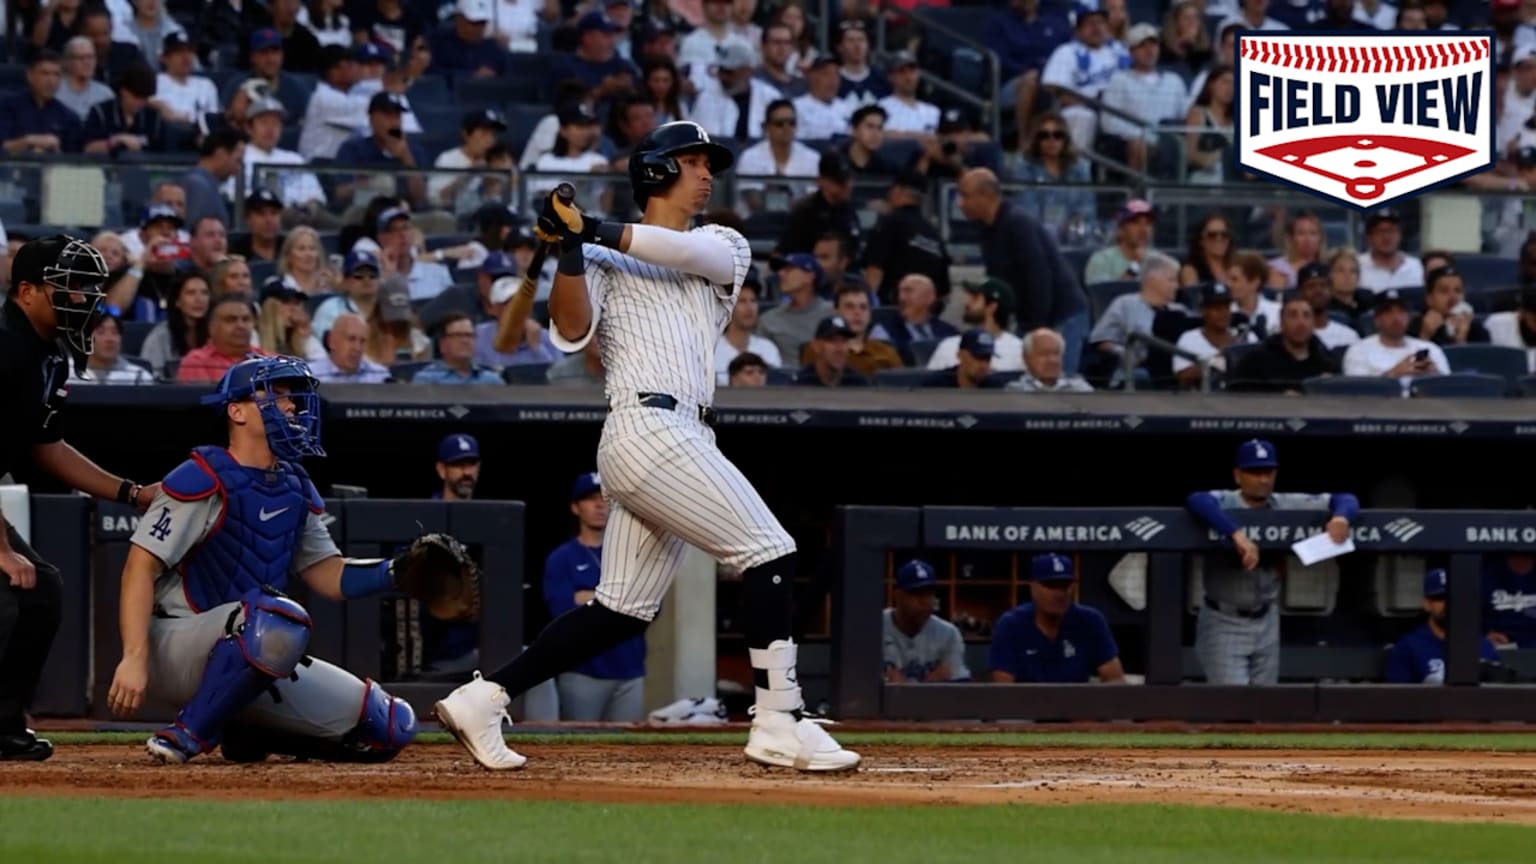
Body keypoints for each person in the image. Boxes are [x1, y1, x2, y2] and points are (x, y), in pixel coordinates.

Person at [436, 121, 859, 772]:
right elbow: (570, 329)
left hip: (678, 430)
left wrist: (588, 228)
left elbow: (681, 254)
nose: (707, 173)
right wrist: (571, 251)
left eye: (708, 163)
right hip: (647, 425)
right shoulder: (601, 257)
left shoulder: (724, 243)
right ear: (658, 170)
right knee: (770, 550)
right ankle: (779, 719)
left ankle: (484, 698)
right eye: (693, 161)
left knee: (621, 611)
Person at [104, 357, 445, 764]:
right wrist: (134, 657)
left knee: (388, 725)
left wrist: (395, 573)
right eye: (276, 395)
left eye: (291, 397)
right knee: (278, 617)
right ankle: (185, 735)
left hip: (256, 648)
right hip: (175, 645)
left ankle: (247, 731)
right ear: (237, 411)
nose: (291, 405)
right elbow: (139, 566)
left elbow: (328, 574)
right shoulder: (203, 476)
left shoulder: (295, 485)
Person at [0, 236, 160, 760]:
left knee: (40, 591)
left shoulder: (49, 355)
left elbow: (46, 447)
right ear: (27, 291)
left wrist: (130, 493)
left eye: (90, 288)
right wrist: (1, 549)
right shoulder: (5, 346)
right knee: (14, 589)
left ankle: (3, 727)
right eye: (70, 288)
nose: (84, 299)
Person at [1183, 440, 1358, 685]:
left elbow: (1345, 498)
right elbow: (1196, 500)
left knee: (1265, 701)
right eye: (1255, 472)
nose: (1263, 480)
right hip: (1225, 619)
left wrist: (1341, 518)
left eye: (1268, 472)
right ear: (1238, 475)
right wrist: (1236, 534)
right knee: (1233, 702)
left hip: (1266, 618)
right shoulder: (1225, 502)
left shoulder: (1284, 503)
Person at [544, 472, 646, 721]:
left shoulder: (631, 554)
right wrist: (621, 599)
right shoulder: (562, 558)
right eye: (590, 499)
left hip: (629, 670)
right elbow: (561, 608)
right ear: (575, 507)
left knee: (628, 744)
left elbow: (651, 604)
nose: (600, 505)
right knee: (579, 742)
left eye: (605, 498)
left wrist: (589, 597)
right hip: (582, 672)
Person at [989, 554, 1125, 683]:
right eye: (1051, 585)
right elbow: (1003, 690)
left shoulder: (1091, 620)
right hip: (1026, 700)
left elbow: (1115, 681)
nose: (1059, 594)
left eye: (1065, 586)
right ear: (1033, 588)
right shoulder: (1011, 624)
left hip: (1077, 699)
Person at [1385, 569, 1499, 684]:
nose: (1448, 603)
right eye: (1440, 598)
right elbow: (1396, 694)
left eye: (1455, 596)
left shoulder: (1483, 646)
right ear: (1427, 604)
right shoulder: (1408, 647)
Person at [1227, 292, 1340, 393]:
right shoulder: (1257, 361)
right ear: (1281, 323)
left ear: (1313, 323)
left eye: (1306, 315)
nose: (1301, 323)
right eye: (1293, 315)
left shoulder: (1327, 361)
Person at [883, 559, 969, 683]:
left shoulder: (949, 633)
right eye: (916, 594)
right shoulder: (874, 626)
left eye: (929, 594)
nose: (924, 602)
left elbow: (960, 685)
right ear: (897, 596)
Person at [1342, 288, 1450, 381]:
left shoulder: (1430, 348)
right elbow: (1358, 390)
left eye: (1401, 311)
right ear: (1377, 320)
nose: (1396, 318)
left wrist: (1434, 374)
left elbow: (1448, 386)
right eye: (1388, 312)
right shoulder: (1358, 351)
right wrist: (1393, 374)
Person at [927, 279, 1022, 373]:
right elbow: (930, 381)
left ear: (991, 307)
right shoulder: (949, 346)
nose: (967, 303)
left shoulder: (1018, 350)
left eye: (975, 298)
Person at [1006, 327, 1094, 392]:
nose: (1052, 360)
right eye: (1044, 354)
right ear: (1026, 358)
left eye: (1056, 353)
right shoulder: (1015, 390)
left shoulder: (1080, 387)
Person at [795, 314, 871, 386]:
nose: (840, 349)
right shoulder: (799, 384)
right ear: (816, 346)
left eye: (844, 341)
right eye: (832, 341)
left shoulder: (858, 384)